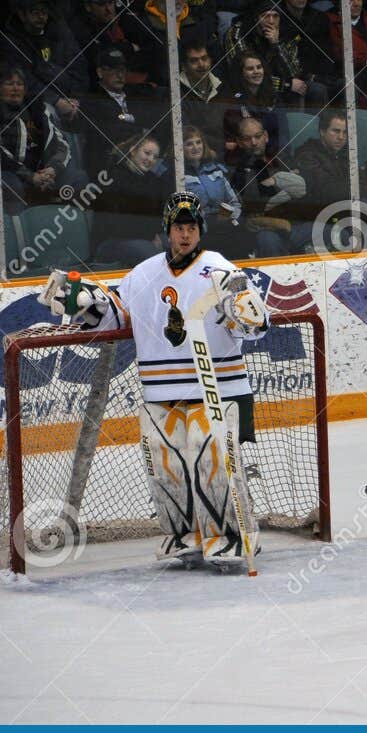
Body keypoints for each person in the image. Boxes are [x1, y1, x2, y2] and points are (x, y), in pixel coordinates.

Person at [40, 191, 270, 569]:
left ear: (201, 230)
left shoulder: (220, 269)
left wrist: (249, 313)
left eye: (192, 227)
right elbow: (117, 317)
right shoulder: (144, 273)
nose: (185, 234)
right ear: (167, 230)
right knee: (167, 464)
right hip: (161, 389)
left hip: (216, 387)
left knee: (211, 460)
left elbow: (255, 325)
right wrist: (87, 304)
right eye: (179, 227)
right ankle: (184, 532)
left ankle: (232, 534)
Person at [75, 45, 167, 176]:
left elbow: (153, 119)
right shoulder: (92, 100)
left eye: (122, 70)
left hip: (147, 157)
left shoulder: (136, 93)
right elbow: (105, 135)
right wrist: (139, 128)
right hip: (111, 165)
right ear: (100, 72)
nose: (119, 75)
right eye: (113, 70)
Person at [0, 67, 85, 207]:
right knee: (12, 186)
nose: (15, 88)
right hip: (12, 173)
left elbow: (61, 145)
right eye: (9, 84)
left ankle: (70, 225)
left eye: (19, 84)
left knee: (78, 178)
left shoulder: (37, 110)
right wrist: (30, 176)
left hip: (42, 173)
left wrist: (52, 170)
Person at [228, 116, 309, 258]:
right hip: (267, 228)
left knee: (333, 232)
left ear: (265, 136)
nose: (254, 142)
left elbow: (305, 190)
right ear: (239, 142)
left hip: (296, 222)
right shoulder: (237, 169)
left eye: (257, 136)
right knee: (268, 241)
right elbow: (255, 201)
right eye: (247, 139)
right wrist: (286, 182)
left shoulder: (282, 158)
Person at [93, 134, 173, 266]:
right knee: (154, 257)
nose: (150, 159)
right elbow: (114, 223)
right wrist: (150, 236)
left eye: (155, 157)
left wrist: (157, 234)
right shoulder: (112, 178)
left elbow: (162, 214)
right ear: (133, 150)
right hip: (113, 241)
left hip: (147, 236)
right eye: (147, 153)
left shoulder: (153, 181)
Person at [221, 1, 321, 106]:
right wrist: (284, 84)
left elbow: (294, 73)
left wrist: (276, 44)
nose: (271, 21)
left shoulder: (285, 34)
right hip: (246, 88)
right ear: (256, 18)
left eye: (275, 16)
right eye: (266, 16)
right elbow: (243, 75)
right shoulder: (237, 33)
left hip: (277, 83)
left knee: (317, 90)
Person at [180, 125, 250, 257]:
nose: (196, 147)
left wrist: (231, 218)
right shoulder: (177, 174)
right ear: (180, 148)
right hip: (200, 232)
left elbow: (235, 202)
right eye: (189, 144)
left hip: (226, 225)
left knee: (241, 238)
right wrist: (207, 225)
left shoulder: (216, 169)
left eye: (198, 142)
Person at [219, 50, 291, 154]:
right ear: (241, 72)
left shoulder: (274, 97)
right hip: (244, 157)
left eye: (259, 67)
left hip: (275, 156)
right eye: (250, 69)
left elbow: (284, 134)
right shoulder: (232, 100)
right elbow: (234, 138)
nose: (256, 71)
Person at [293, 111, 353, 215]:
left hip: (343, 212)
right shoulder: (306, 155)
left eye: (345, 132)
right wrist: (355, 188)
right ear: (322, 131)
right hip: (317, 217)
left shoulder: (345, 155)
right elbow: (327, 191)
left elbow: (365, 183)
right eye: (336, 131)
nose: (341, 137)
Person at [177, 38, 228, 154]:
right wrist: (223, 145)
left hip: (226, 151)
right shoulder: (176, 91)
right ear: (184, 66)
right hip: (194, 153)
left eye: (204, 59)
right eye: (194, 61)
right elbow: (187, 131)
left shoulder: (222, 86)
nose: (201, 64)